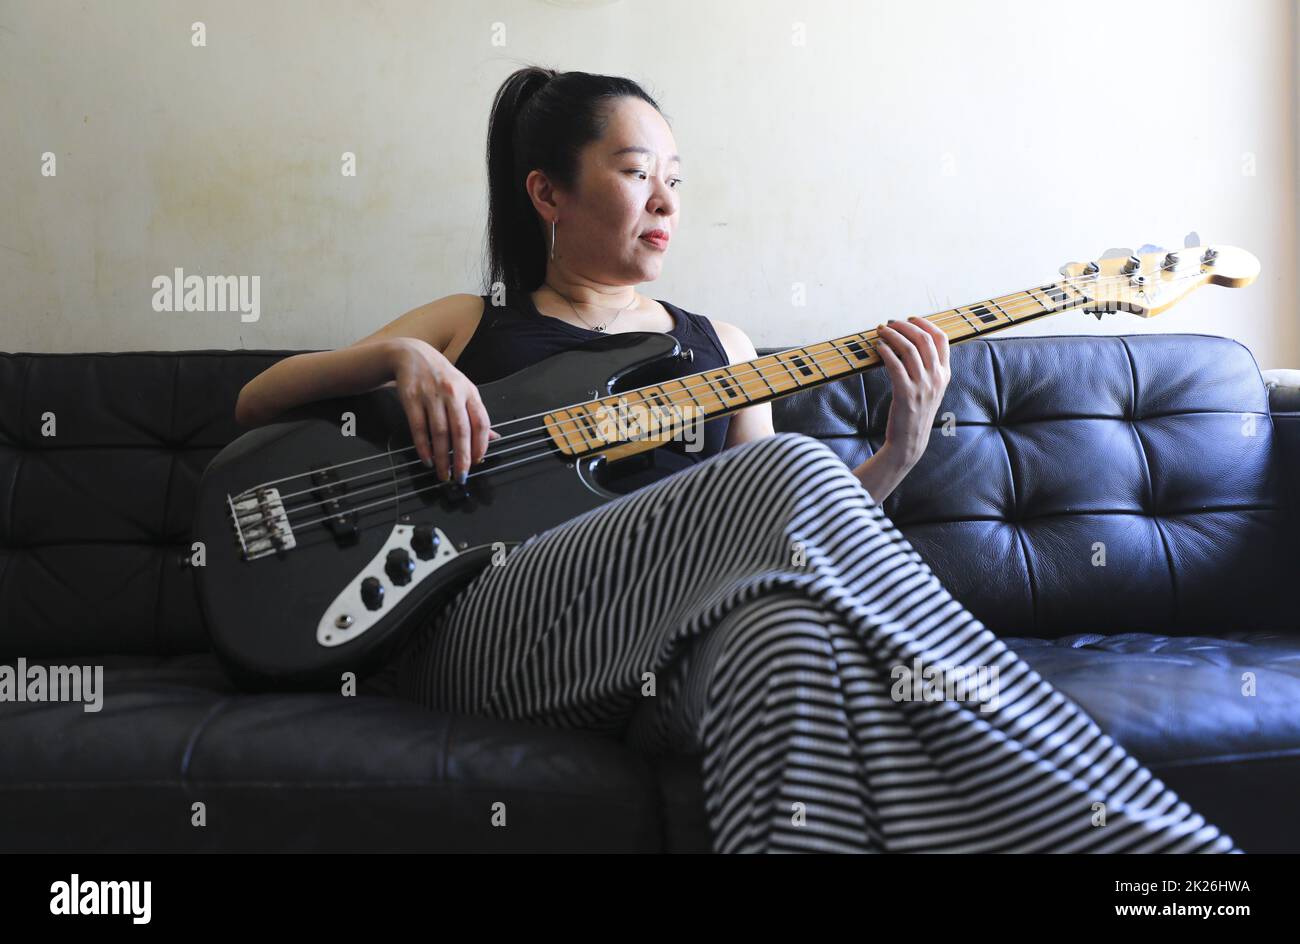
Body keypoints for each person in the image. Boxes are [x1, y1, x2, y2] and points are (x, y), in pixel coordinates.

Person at [235, 67, 1240, 854]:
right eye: (636, 173)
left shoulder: (723, 342)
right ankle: (1144, 841)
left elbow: (777, 527)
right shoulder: (472, 325)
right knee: (789, 470)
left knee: (782, 633)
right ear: (548, 191)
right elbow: (254, 403)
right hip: (474, 631)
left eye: (675, 178)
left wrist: (898, 449)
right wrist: (397, 356)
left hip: (654, 660)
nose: (666, 199)